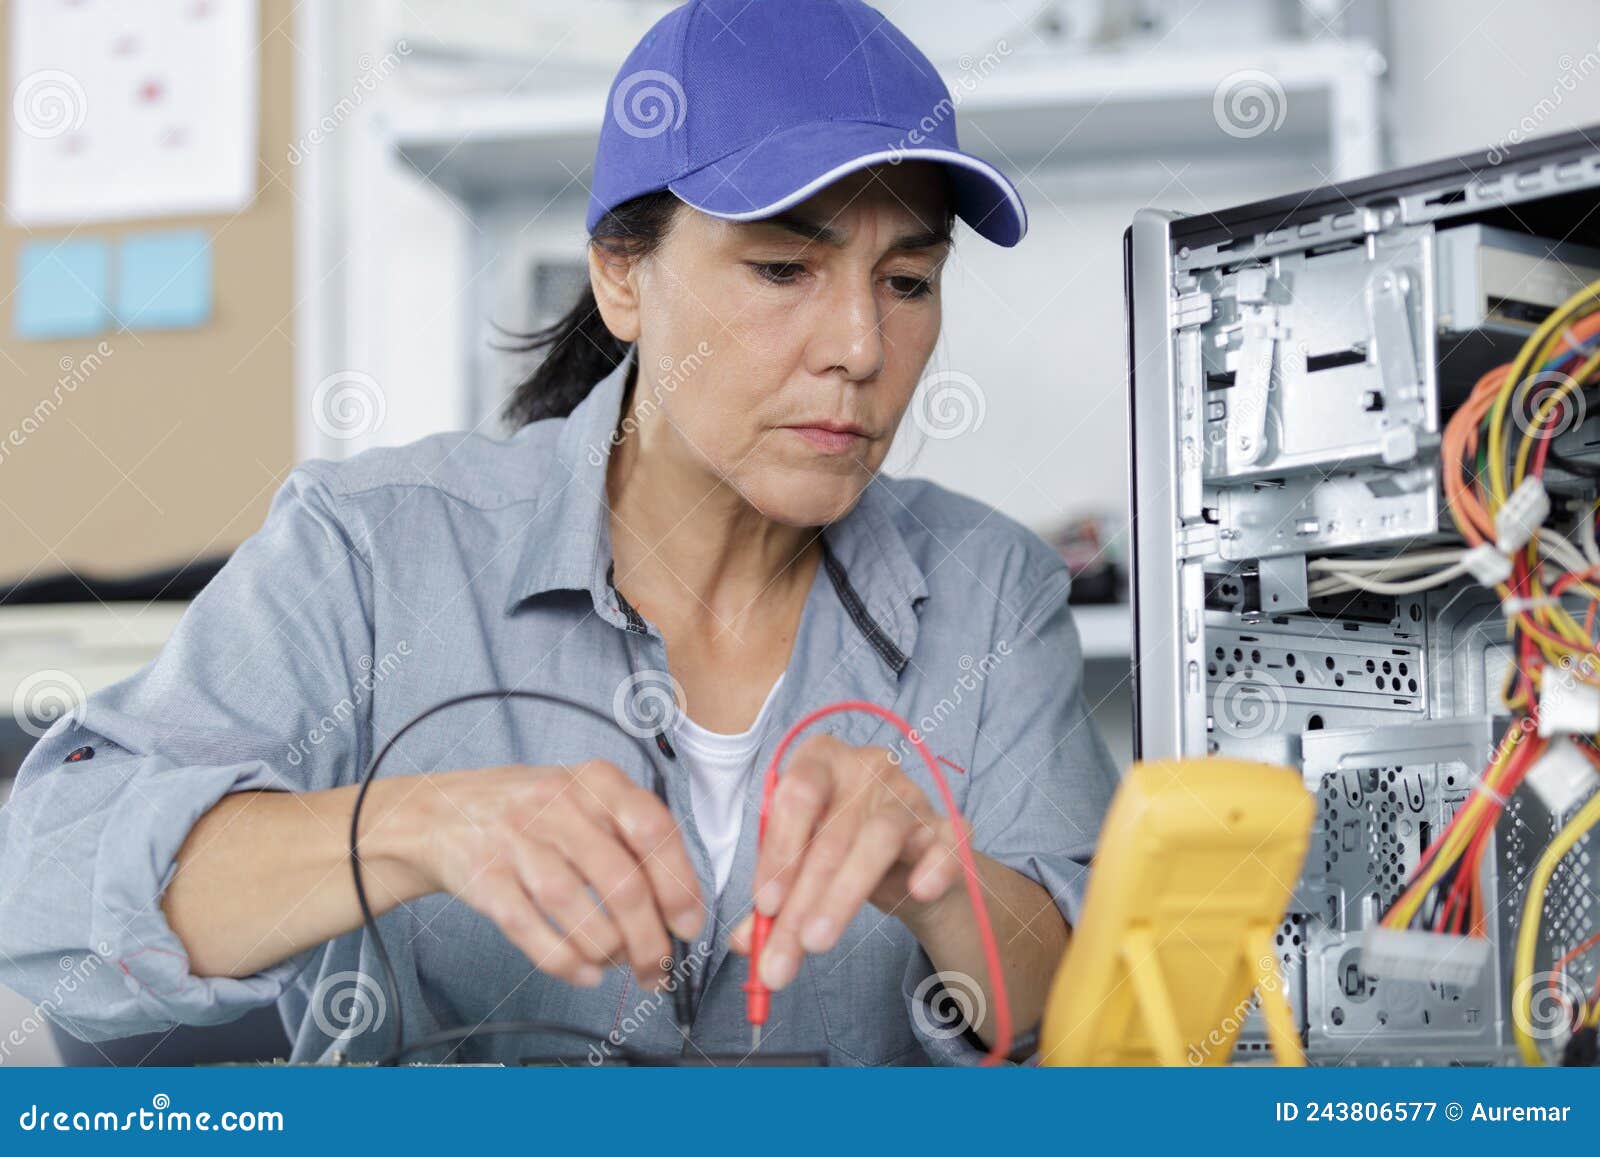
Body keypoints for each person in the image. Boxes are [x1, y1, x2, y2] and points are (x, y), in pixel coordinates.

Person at [0, 0, 1116, 1065]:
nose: (862, 347)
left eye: (909, 279)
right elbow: (42, 897)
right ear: (621, 275)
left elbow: (1083, 1019)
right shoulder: (375, 547)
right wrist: (405, 826)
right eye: (783, 268)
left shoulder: (991, 588)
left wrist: (939, 877)